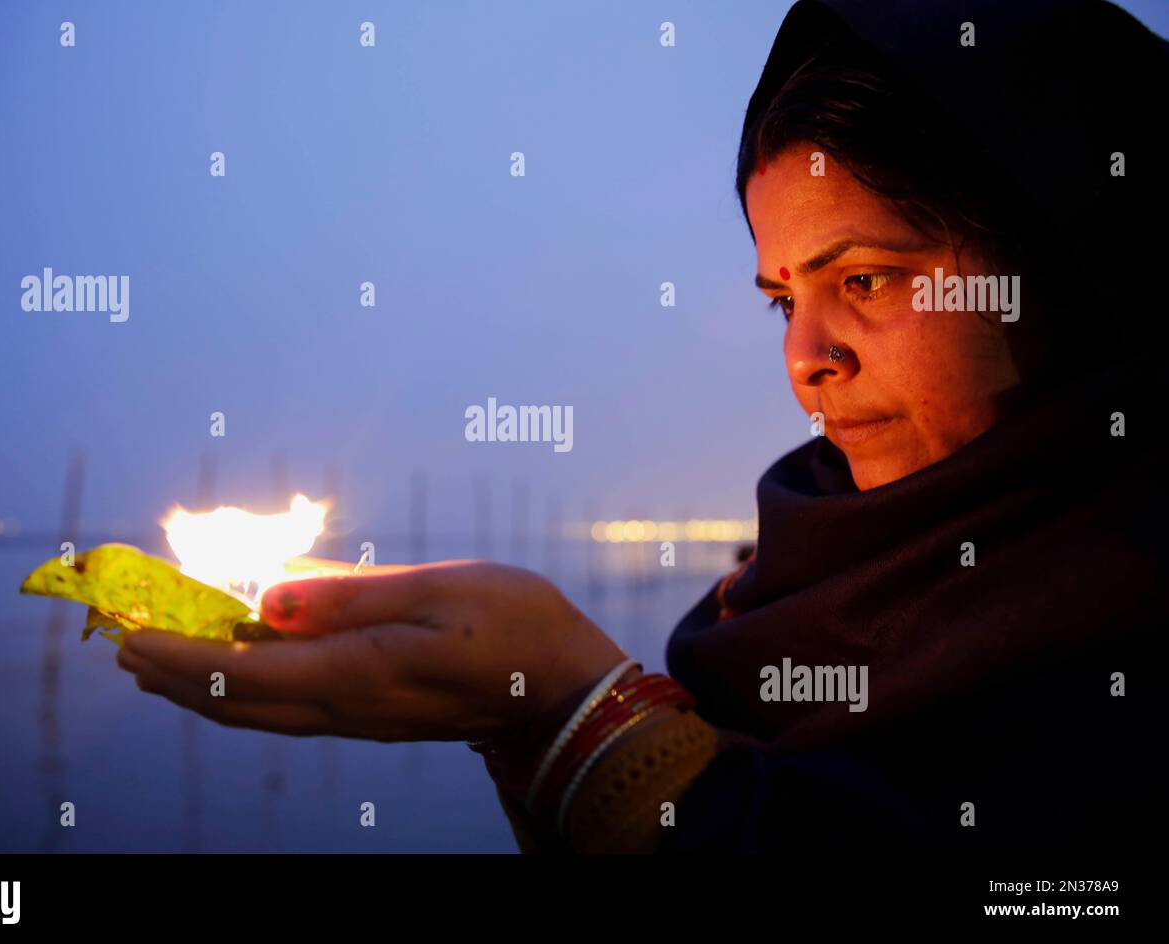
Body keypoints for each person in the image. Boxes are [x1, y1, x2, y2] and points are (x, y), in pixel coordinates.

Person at [117, 0, 1167, 853]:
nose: (806, 356)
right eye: (780, 298)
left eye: (865, 277)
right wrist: (543, 725)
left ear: (1068, 271)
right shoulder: (764, 606)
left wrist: (582, 716)